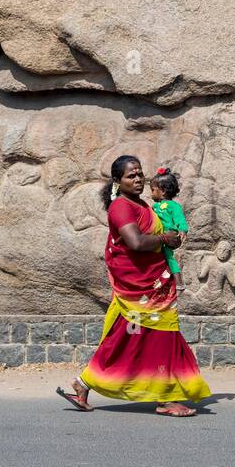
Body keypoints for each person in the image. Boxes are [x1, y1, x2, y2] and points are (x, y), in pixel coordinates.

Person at [57, 156, 211, 417]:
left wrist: (172, 239)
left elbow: (154, 238)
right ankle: (167, 397)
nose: (138, 179)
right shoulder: (121, 207)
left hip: (154, 284)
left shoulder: (142, 204)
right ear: (118, 181)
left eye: (140, 174)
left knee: (128, 339)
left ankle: (83, 383)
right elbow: (136, 242)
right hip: (139, 287)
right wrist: (164, 237)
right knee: (160, 338)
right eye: (131, 176)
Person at [150, 167, 189, 291]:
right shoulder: (155, 206)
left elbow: (180, 219)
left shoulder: (173, 206)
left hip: (167, 236)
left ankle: (179, 282)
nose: (151, 193)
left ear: (163, 191)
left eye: (153, 190)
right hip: (156, 237)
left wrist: (182, 229)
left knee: (169, 257)